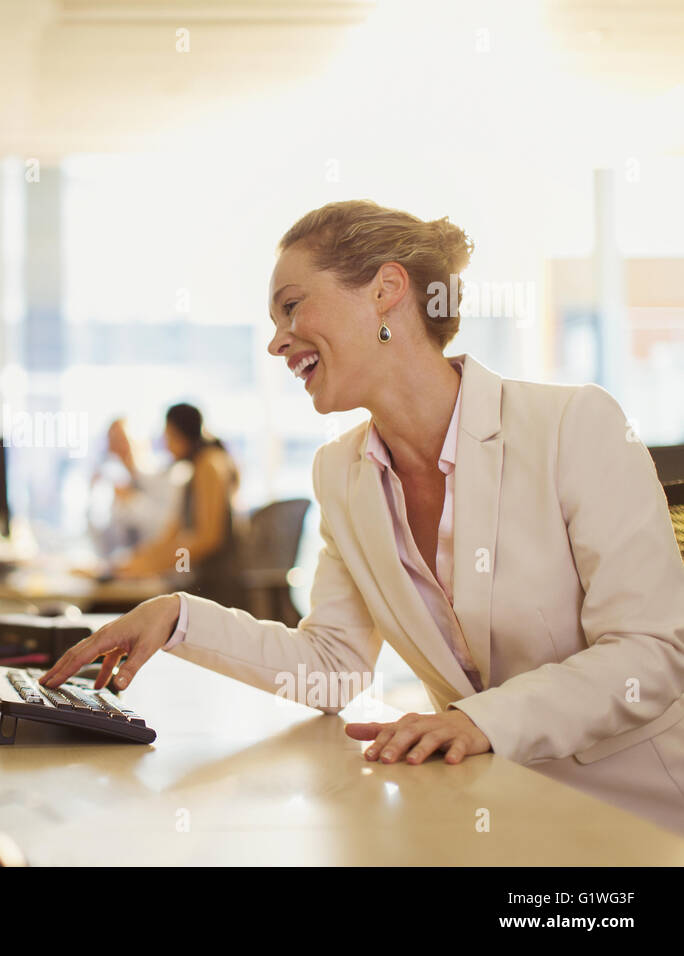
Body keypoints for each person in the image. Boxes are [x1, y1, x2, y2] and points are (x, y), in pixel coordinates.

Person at [42, 199, 684, 835]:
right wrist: (179, 616)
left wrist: (481, 721)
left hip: (632, 819)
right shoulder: (342, 473)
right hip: (484, 808)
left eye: (291, 306)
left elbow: (651, 653)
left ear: (385, 291)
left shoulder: (573, 426)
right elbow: (331, 667)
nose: (275, 341)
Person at [106, 404, 243, 606]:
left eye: (168, 436)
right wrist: (136, 563)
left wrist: (152, 565)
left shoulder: (209, 464)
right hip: (198, 580)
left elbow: (208, 538)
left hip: (216, 586)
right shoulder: (194, 468)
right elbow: (173, 531)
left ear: (181, 434)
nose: (166, 445)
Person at [90, 418, 180, 558]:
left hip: (161, 567)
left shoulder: (166, 476)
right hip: (129, 569)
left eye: (122, 440)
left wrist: (131, 499)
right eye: (112, 442)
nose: (117, 449)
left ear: (141, 441)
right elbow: (106, 544)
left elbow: (166, 529)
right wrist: (93, 499)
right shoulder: (117, 484)